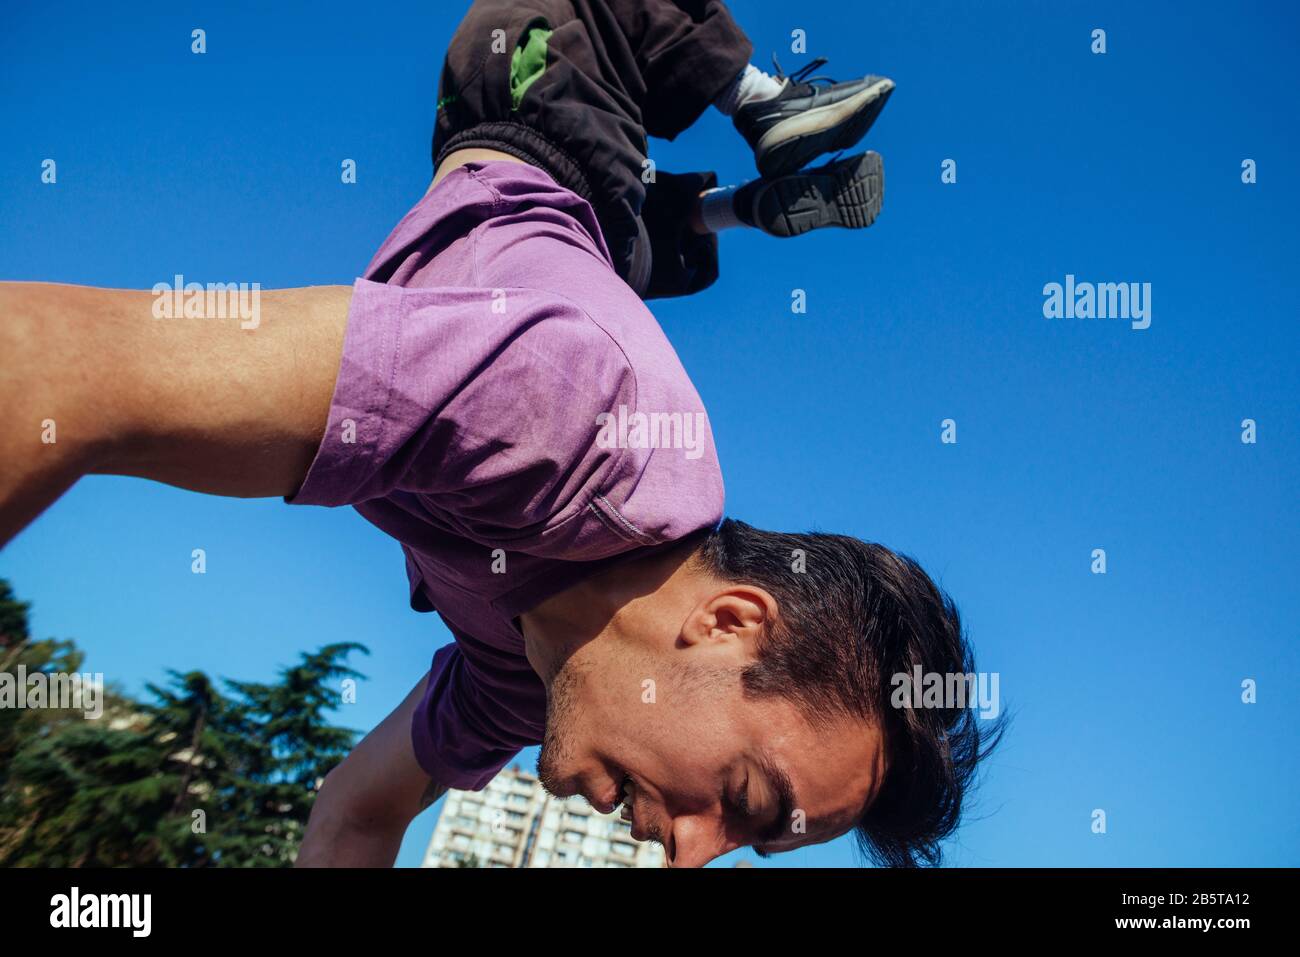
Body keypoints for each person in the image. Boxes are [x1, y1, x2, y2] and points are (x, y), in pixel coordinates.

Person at [0, 0, 1002, 868]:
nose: (688, 852)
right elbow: (41, 361)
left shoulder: (532, 684)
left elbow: (357, 811)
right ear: (728, 622)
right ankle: (764, 109)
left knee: (635, 223)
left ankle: (739, 208)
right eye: (741, 801)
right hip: (538, 112)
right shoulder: (577, 426)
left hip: (585, 223)